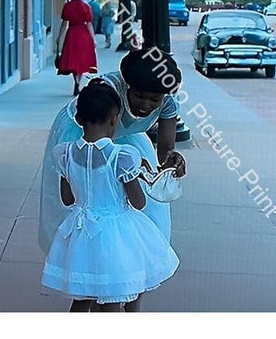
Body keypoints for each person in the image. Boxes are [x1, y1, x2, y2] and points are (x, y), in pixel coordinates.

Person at [41, 79, 179, 312]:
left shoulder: (65, 154)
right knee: (114, 294)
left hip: (82, 233)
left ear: (79, 119)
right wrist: (135, 176)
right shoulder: (122, 157)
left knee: (83, 295)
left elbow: (68, 199)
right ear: (116, 120)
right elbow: (139, 202)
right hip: (116, 234)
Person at [39, 47, 186, 266]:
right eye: (139, 96)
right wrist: (130, 164)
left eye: (154, 99)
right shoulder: (106, 92)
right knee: (91, 202)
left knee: (143, 214)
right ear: (127, 86)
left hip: (125, 140)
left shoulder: (167, 104)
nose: (146, 105)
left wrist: (171, 160)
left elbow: (165, 148)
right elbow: (94, 138)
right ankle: (88, 266)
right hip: (86, 132)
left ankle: (127, 266)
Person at [55, 0, 98, 96]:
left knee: (74, 60)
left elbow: (64, 24)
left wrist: (59, 38)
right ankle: (78, 81)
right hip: (83, 35)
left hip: (72, 34)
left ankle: (76, 81)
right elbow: (89, 24)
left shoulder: (67, 6)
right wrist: (93, 39)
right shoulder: (86, 7)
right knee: (81, 60)